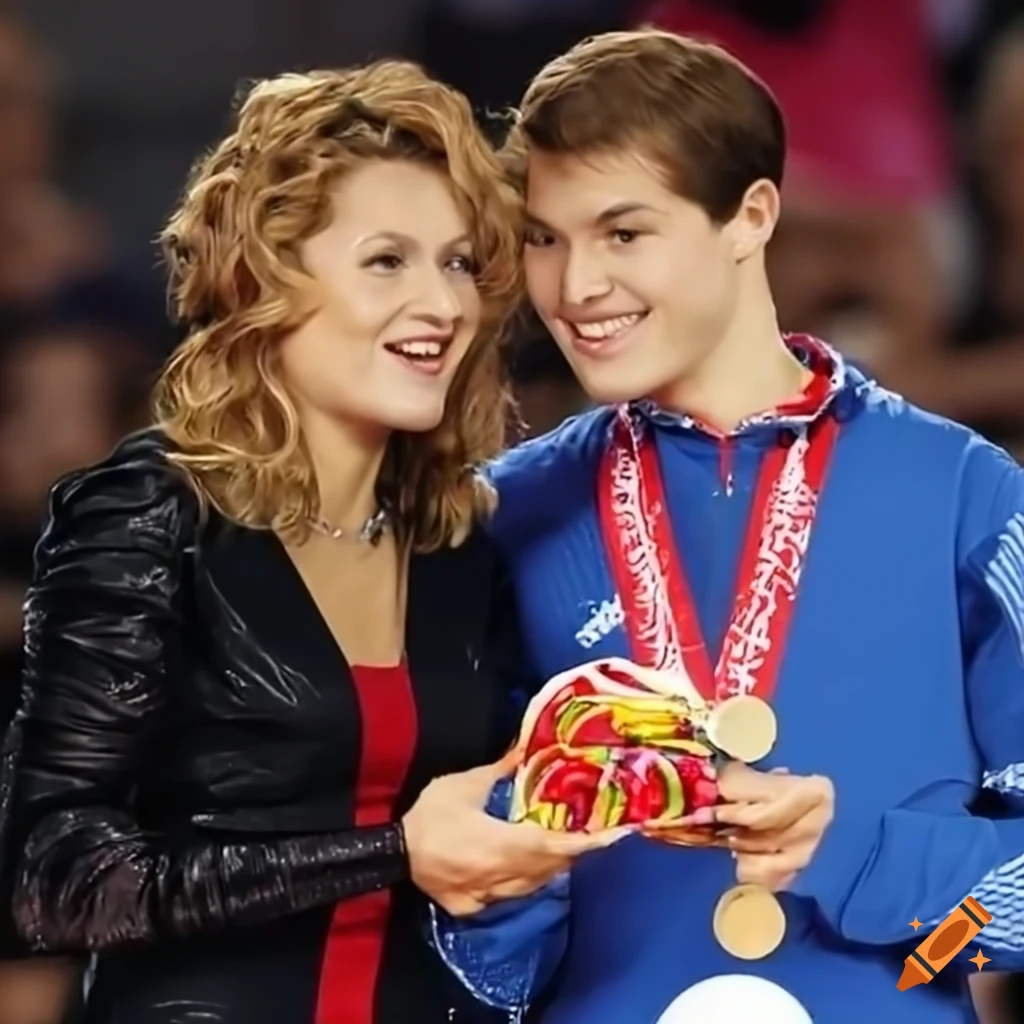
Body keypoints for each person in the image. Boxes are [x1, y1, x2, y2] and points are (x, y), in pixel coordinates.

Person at [0, 62, 623, 1024]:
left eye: (458, 262)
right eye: (388, 260)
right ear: (267, 279)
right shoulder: (150, 516)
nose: (444, 305)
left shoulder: (458, 541)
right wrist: (393, 855)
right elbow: (60, 881)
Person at [432, 28, 1024, 1024]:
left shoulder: (960, 490)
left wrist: (863, 857)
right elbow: (476, 971)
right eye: (544, 236)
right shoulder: (501, 513)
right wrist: (499, 877)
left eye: (623, 232)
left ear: (750, 216)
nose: (574, 287)